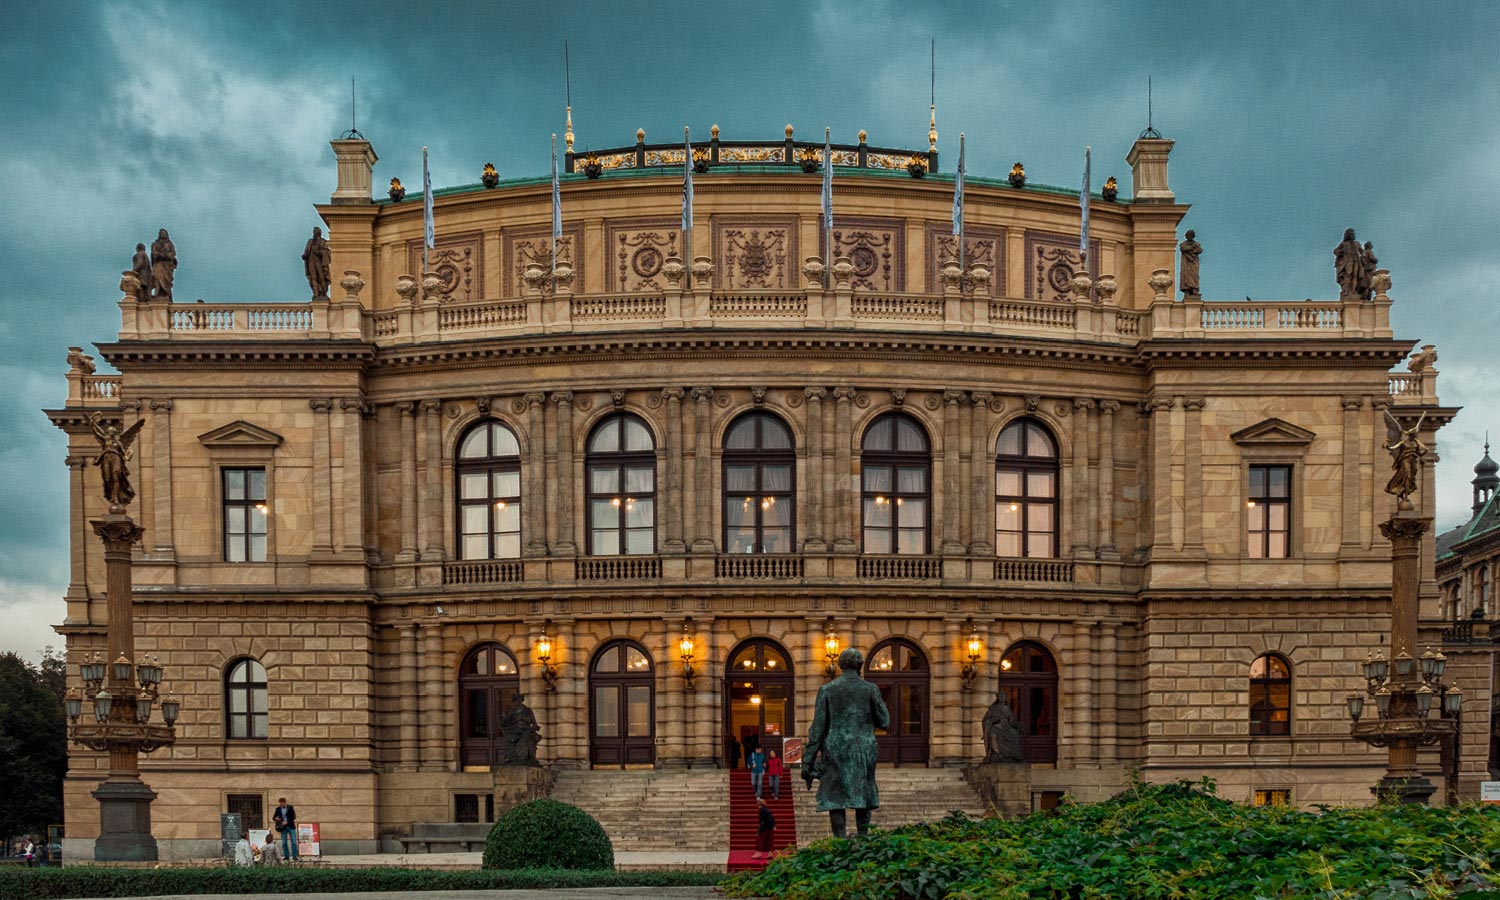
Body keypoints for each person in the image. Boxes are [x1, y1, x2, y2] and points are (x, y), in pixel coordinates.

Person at [802, 648, 891, 838]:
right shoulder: (870, 689)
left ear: (840, 666)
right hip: (864, 749)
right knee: (864, 792)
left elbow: (817, 730)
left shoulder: (827, 690)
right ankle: (864, 837)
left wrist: (807, 761)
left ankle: (839, 841)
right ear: (860, 666)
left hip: (835, 749)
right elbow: (885, 721)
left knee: (835, 797)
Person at [273, 796, 299, 861]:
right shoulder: (278, 809)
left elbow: (293, 817)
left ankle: (294, 856)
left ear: (285, 802)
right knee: (284, 842)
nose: (281, 805)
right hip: (282, 827)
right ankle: (286, 856)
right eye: (280, 803)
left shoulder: (290, 807)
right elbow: (273, 817)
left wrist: (287, 822)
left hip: (290, 826)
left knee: (293, 842)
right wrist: (276, 818)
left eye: (282, 803)